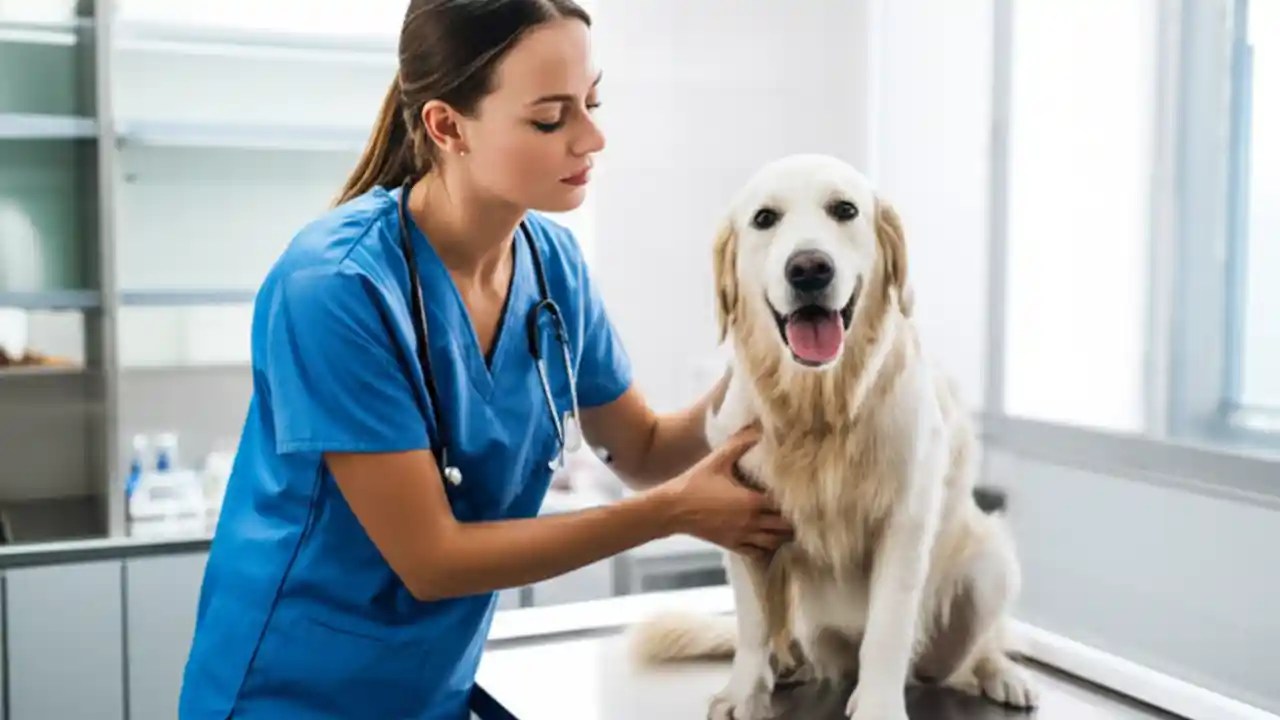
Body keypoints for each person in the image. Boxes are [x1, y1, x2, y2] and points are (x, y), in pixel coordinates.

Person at [177, 2, 793, 718]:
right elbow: (432, 560)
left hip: (428, 693)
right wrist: (673, 514)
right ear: (447, 126)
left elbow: (645, 447)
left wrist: (770, 370)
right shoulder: (334, 287)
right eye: (550, 118)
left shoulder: (552, 264)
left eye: (592, 103)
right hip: (292, 695)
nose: (592, 137)